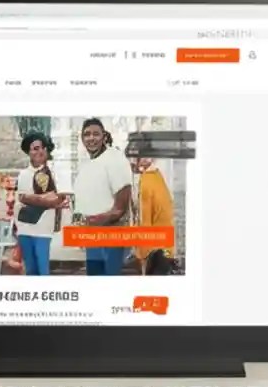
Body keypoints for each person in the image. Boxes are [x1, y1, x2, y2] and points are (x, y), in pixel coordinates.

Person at [73, 118, 132, 275]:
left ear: (104, 136)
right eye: (87, 134)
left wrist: (95, 220)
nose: (91, 138)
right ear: (82, 139)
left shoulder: (115, 159)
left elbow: (121, 207)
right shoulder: (89, 164)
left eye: (95, 134)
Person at [14, 132, 66, 276]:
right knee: (30, 270)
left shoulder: (54, 173)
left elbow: (60, 198)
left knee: (43, 271)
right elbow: (24, 198)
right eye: (35, 148)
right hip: (25, 227)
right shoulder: (24, 174)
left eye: (43, 147)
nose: (40, 151)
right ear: (28, 152)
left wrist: (39, 199)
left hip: (44, 228)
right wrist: (47, 200)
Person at [133, 157, 175, 275]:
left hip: (154, 252)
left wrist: (141, 256)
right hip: (166, 247)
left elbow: (144, 220)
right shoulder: (158, 176)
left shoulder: (146, 182)